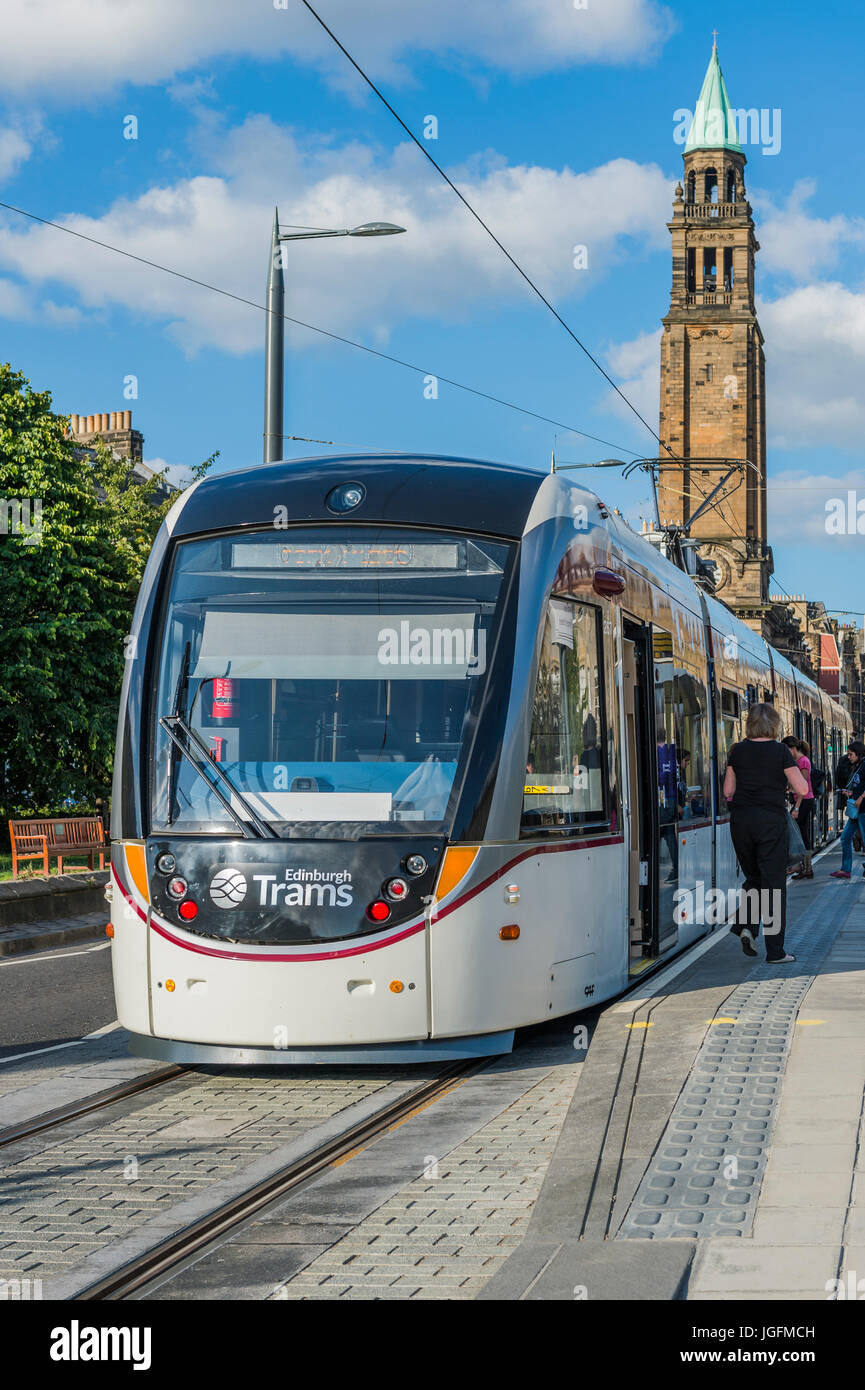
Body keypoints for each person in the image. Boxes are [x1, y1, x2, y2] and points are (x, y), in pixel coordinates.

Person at [723, 702, 808, 963]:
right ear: (774, 724)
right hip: (770, 822)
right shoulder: (780, 750)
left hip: (741, 822)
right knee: (773, 886)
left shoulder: (737, 751)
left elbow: (728, 792)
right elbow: (802, 789)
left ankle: (746, 926)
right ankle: (775, 952)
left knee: (754, 877)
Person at [830, 740, 865, 879]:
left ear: (859, 754)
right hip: (856, 810)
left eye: (851, 754)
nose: (848, 757)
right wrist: (851, 793)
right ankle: (845, 869)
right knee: (845, 838)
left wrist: (860, 798)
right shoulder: (858, 766)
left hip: (863, 809)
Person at [783, 736, 815, 879]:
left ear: (793, 748)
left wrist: (796, 808)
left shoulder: (803, 761)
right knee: (801, 832)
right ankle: (804, 867)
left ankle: (803, 866)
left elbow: (802, 787)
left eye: (786, 750)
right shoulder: (798, 761)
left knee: (796, 832)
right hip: (802, 801)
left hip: (804, 801)